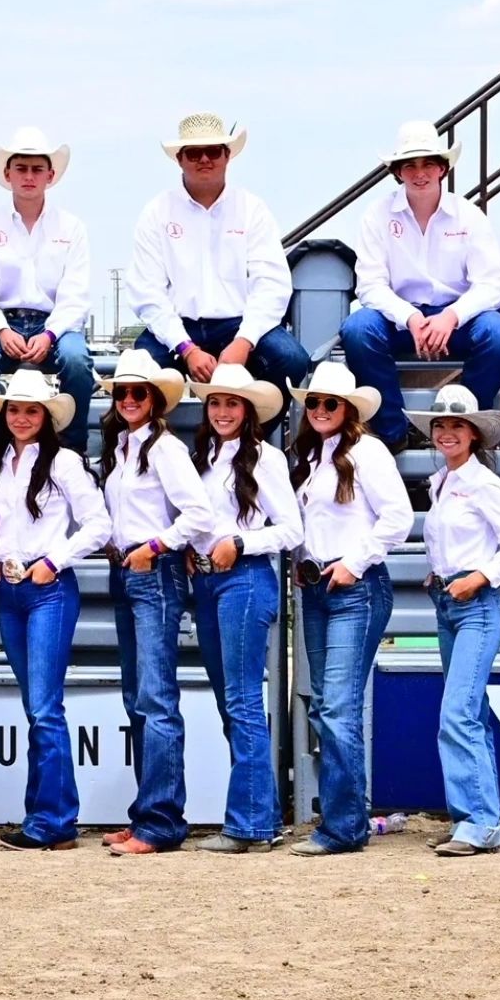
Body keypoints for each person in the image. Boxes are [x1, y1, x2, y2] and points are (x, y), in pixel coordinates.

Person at [0, 368, 109, 850]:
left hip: (47, 585)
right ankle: (51, 816)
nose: (21, 417)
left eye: (31, 410)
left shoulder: (65, 463)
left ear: (46, 415)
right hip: (12, 589)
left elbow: (98, 524)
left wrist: (54, 561)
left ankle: (51, 820)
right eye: (14, 409)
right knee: (40, 707)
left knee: (44, 707)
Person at [287, 359, 412, 855]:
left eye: (329, 403)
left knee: (336, 705)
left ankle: (342, 826)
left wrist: (354, 563)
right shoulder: (309, 457)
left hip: (353, 585)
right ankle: (349, 816)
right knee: (327, 704)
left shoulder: (368, 451)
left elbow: (398, 517)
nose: (319, 409)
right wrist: (302, 560)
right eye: (313, 402)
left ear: (348, 408)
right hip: (320, 584)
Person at [98, 349, 215, 857]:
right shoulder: (124, 448)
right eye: (122, 392)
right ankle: (150, 812)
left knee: (155, 698)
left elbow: (199, 515)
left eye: (137, 392)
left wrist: (155, 546)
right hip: (130, 568)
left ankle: (161, 820)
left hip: (153, 571)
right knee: (140, 698)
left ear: (155, 399)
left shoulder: (164, 449)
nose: (128, 399)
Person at [338, 121, 500, 448]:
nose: (420, 173)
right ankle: (393, 433)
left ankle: (466, 427)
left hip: (458, 321)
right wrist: (411, 318)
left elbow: (492, 284)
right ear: (397, 172)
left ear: (443, 168)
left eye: (428, 163)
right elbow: (370, 285)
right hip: (401, 321)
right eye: (410, 165)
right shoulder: (376, 215)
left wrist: (450, 317)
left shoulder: (468, 215)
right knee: (358, 329)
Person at [408, 384, 500, 856]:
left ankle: (478, 819)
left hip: (476, 604)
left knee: (458, 712)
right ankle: (478, 817)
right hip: (451, 599)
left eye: (456, 425)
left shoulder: (481, 483)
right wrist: (438, 572)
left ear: (474, 434)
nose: (446, 433)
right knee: (468, 713)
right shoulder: (444, 482)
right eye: (440, 425)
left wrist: (480, 575)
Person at [186, 363, 301, 853]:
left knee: (242, 700)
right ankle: (259, 814)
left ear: (249, 410)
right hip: (212, 582)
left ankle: (251, 822)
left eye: (232, 403)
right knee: (231, 700)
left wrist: (239, 540)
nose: (222, 411)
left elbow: (292, 530)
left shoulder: (265, 458)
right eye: (215, 402)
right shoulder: (204, 457)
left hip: (245, 579)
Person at [126, 113, 307, 401]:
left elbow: (272, 284)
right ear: (180, 159)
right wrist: (185, 347)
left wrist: (244, 341)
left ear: (227, 155)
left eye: (213, 151)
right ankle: (160, 445)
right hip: (178, 325)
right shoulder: (157, 212)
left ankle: (248, 440)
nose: (204, 159)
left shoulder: (252, 209)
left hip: (237, 321)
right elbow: (147, 292)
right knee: (135, 377)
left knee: (291, 360)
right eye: (195, 153)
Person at [0, 128, 96, 454]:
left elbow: (75, 295)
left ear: (51, 175)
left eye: (37, 169)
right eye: (21, 168)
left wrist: (49, 335)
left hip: (55, 325)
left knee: (78, 360)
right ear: (7, 174)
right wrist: (1, 330)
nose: (29, 176)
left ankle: (72, 448)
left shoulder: (72, 228)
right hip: (2, 323)